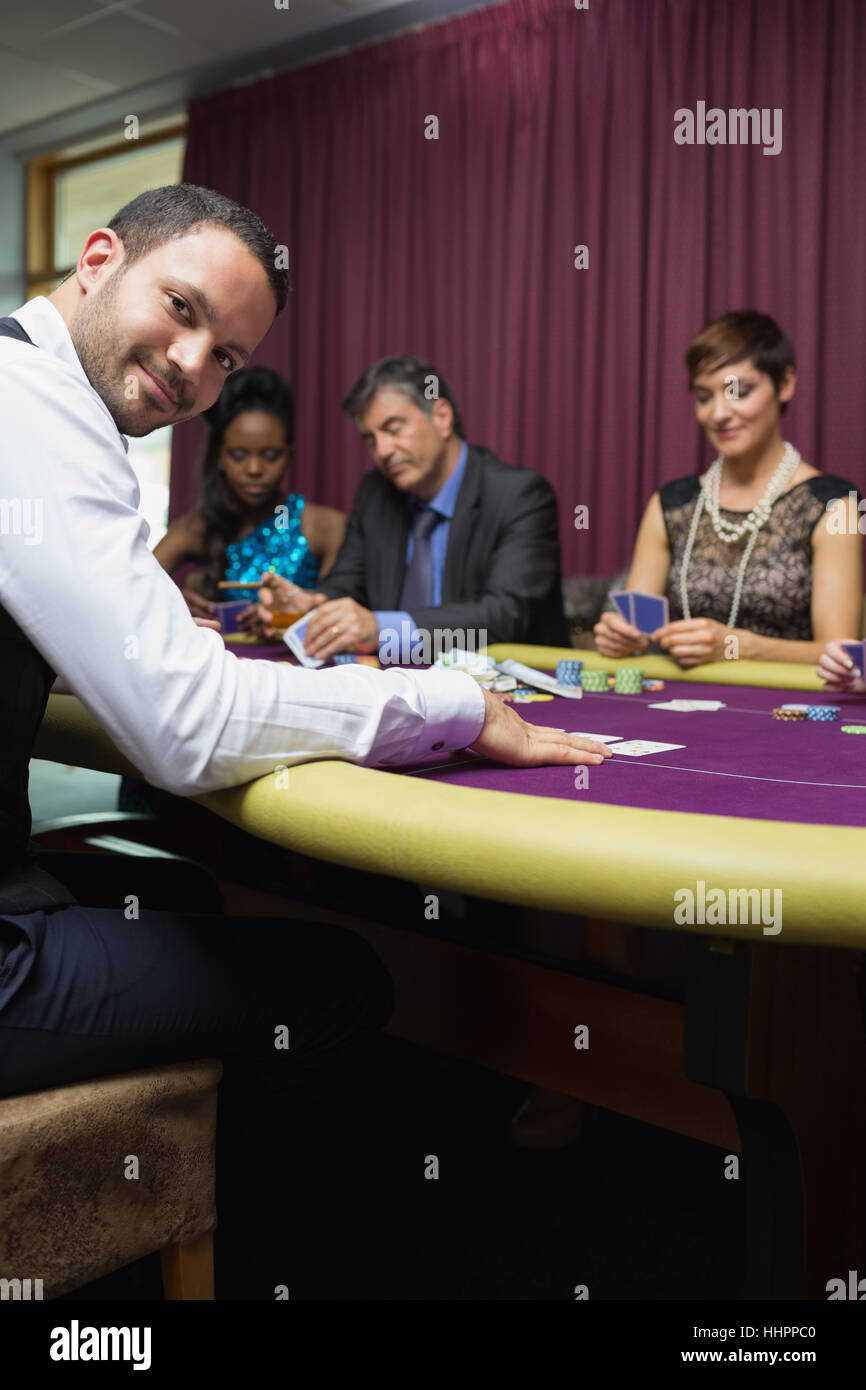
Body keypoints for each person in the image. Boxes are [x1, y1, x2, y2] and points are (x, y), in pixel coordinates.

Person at [0, 184, 611, 1297]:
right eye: (179, 309)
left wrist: (130, 613)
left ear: (442, 420)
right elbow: (185, 729)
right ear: (96, 261)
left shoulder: (514, 494)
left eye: (224, 354)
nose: (192, 364)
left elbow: (521, 608)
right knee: (335, 978)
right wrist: (451, 705)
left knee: (181, 894)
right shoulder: (33, 413)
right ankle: (190, 1255)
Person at [256, 356, 569, 660]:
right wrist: (313, 604)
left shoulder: (519, 495)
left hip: (515, 691)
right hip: (399, 686)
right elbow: (347, 583)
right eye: (370, 439)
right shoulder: (374, 493)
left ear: (442, 417)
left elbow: (505, 615)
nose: (382, 451)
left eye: (393, 429)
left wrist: (382, 629)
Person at [594, 310, 862, 666]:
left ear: (785, 383)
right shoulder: (672, 504)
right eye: (704, 397)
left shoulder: (834, 505)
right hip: (678, 704)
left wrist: (740, 647)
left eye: (739, 391)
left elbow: (842, 655)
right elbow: (638, 630)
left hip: (794, 710)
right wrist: (621, 638)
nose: (719, 413)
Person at [154, 365, 346, 621]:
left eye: (270, 456)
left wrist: (284, 618)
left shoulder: (324, 526)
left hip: (296, 662)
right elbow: (130, 590)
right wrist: (172, 606)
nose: (254, 470)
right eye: (238, 456)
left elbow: (343, 617)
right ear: (219, 457)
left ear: (290, 455)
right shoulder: (198, 528)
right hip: (228, 660)